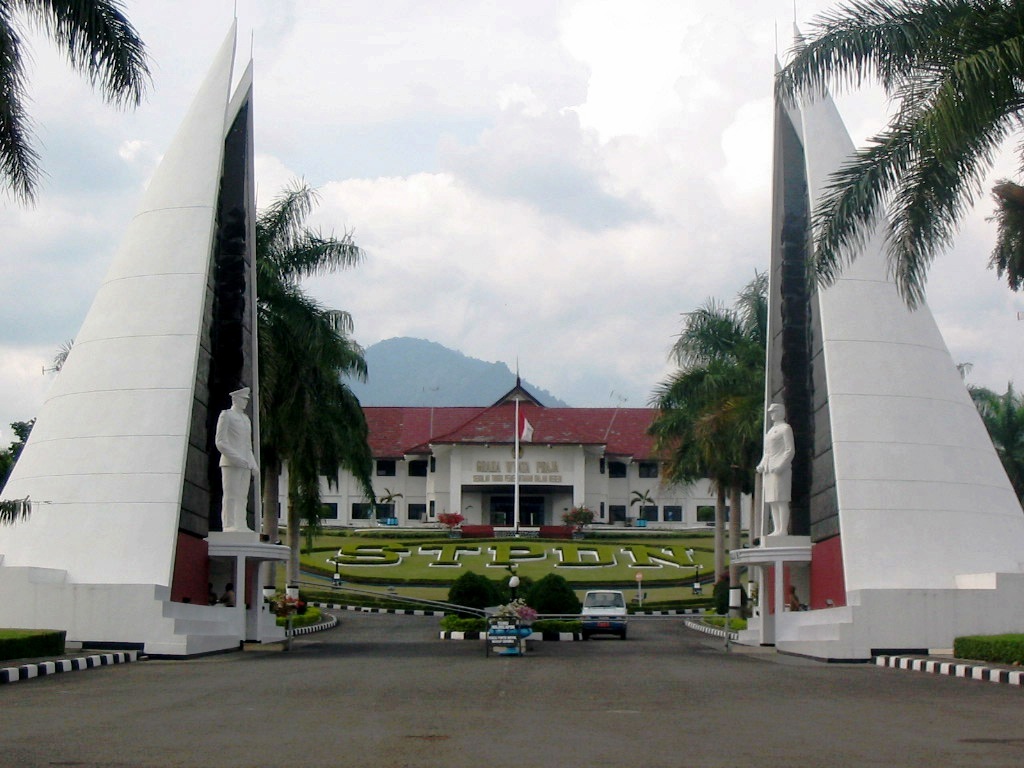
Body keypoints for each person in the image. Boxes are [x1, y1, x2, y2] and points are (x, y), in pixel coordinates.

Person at [215, 387, 258, 532]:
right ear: (235, 399)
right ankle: (229, 525)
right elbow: (220, 442)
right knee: (230, 495)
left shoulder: (246, 419)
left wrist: (253, 463)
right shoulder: (226, 415)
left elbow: (248, 445)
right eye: (243, 399)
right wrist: (235, 458)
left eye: (246, 400)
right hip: (230, 462)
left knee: (242, 496)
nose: (245, 402)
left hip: (245, 463)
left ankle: (241, 524)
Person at [756, 402, 795, 536]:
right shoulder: (770, 431)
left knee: (781, 499)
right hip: (769, 469)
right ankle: (776, 528)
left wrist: (781, 466)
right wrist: (761, 465)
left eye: (774, 411)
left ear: (781, 412)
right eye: (771, 412)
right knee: (772, 500)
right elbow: (767, 452)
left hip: (780, 469)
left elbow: (790, 450)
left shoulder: (785, 428)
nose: (772, 414)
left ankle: (783, 529)